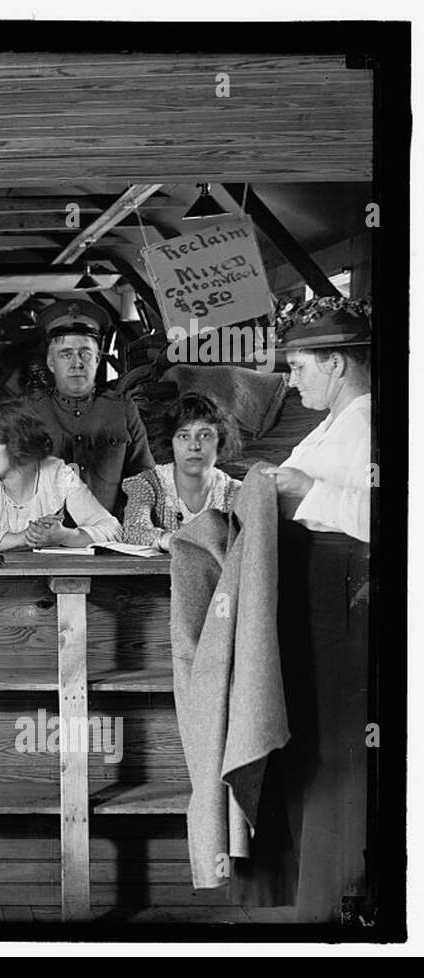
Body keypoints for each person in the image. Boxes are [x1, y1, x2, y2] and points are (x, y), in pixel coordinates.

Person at [238, 296, 374, 922]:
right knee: (306, 740)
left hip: (349, 594)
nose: (290, 382)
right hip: (314, 597)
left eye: (299, 368)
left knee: (339, 741)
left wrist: (303, 489)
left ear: (337, 365)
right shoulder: (328, 423)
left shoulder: (374, 422)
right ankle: (306, 888)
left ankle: (338, 893)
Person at [21, 298, 154, 516]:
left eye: (85, 353)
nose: (77, 363)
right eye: (66, 354)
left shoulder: (122, 410)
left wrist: (136, 524)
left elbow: (144, 478)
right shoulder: (28, 412)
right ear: (51, 362)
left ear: (98, 360)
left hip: (109, 541)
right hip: (44, 540)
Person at [0, 399, 121, 551]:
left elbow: (112, 529)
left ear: (17, 445)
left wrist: (65, 536)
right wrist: (22, 538)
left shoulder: (57, 474)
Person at [121, 393, 243, 550]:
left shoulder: (235, 492)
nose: (194, 446)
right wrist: (178, 542)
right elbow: (132, 531)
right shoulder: (147, 484)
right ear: (170, 443)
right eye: (184, 436)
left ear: (220, 442)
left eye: (205, 435)